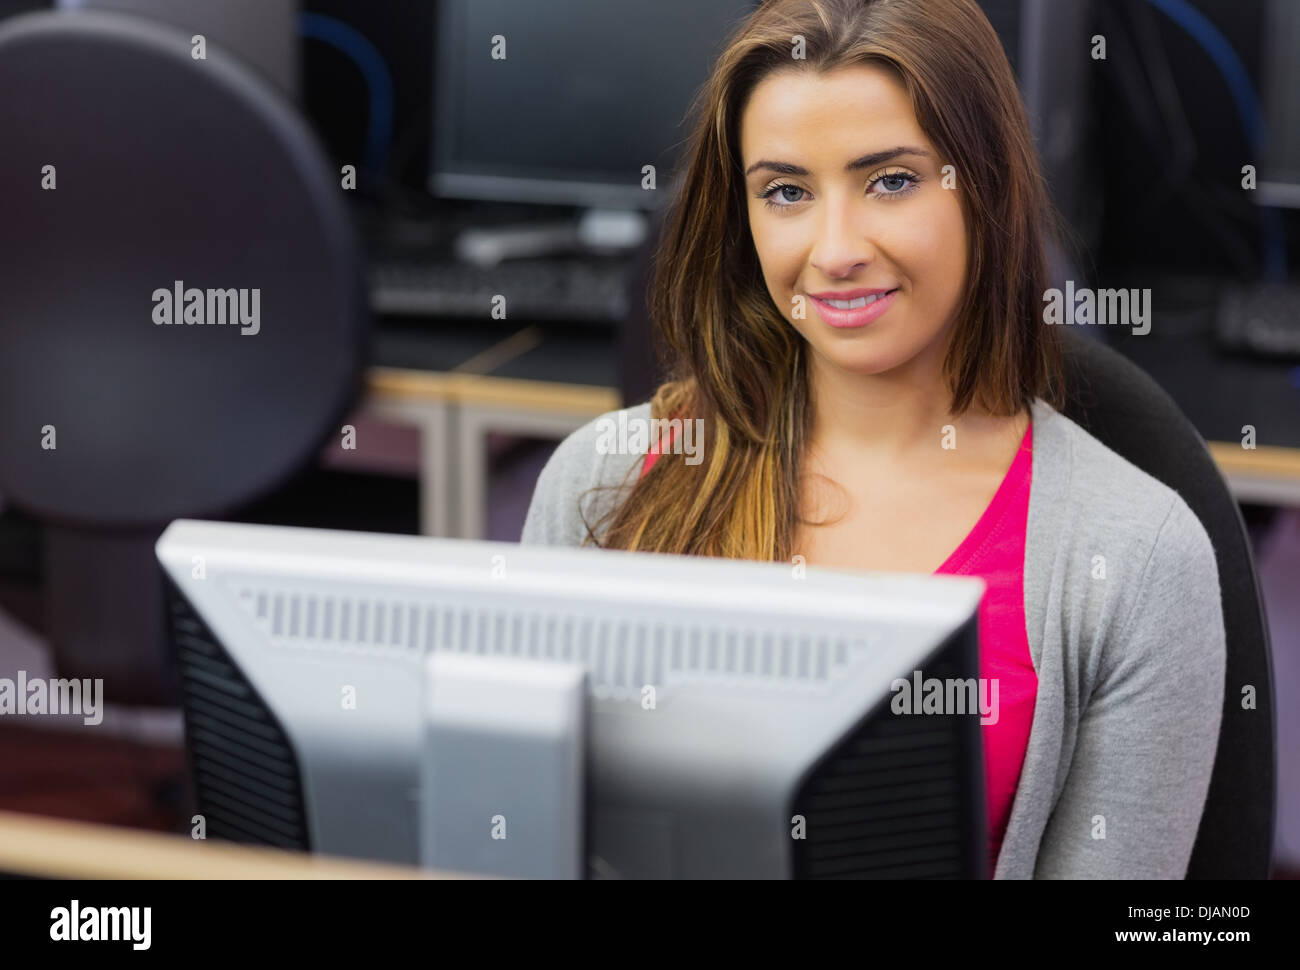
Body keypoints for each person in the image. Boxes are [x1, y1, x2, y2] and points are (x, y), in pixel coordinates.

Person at [522, 0, 1225, 879]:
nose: (835, 249)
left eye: (890, 180)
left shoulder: (1135, 558)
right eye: (787, 192)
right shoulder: (602, 482)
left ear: (987, 187)